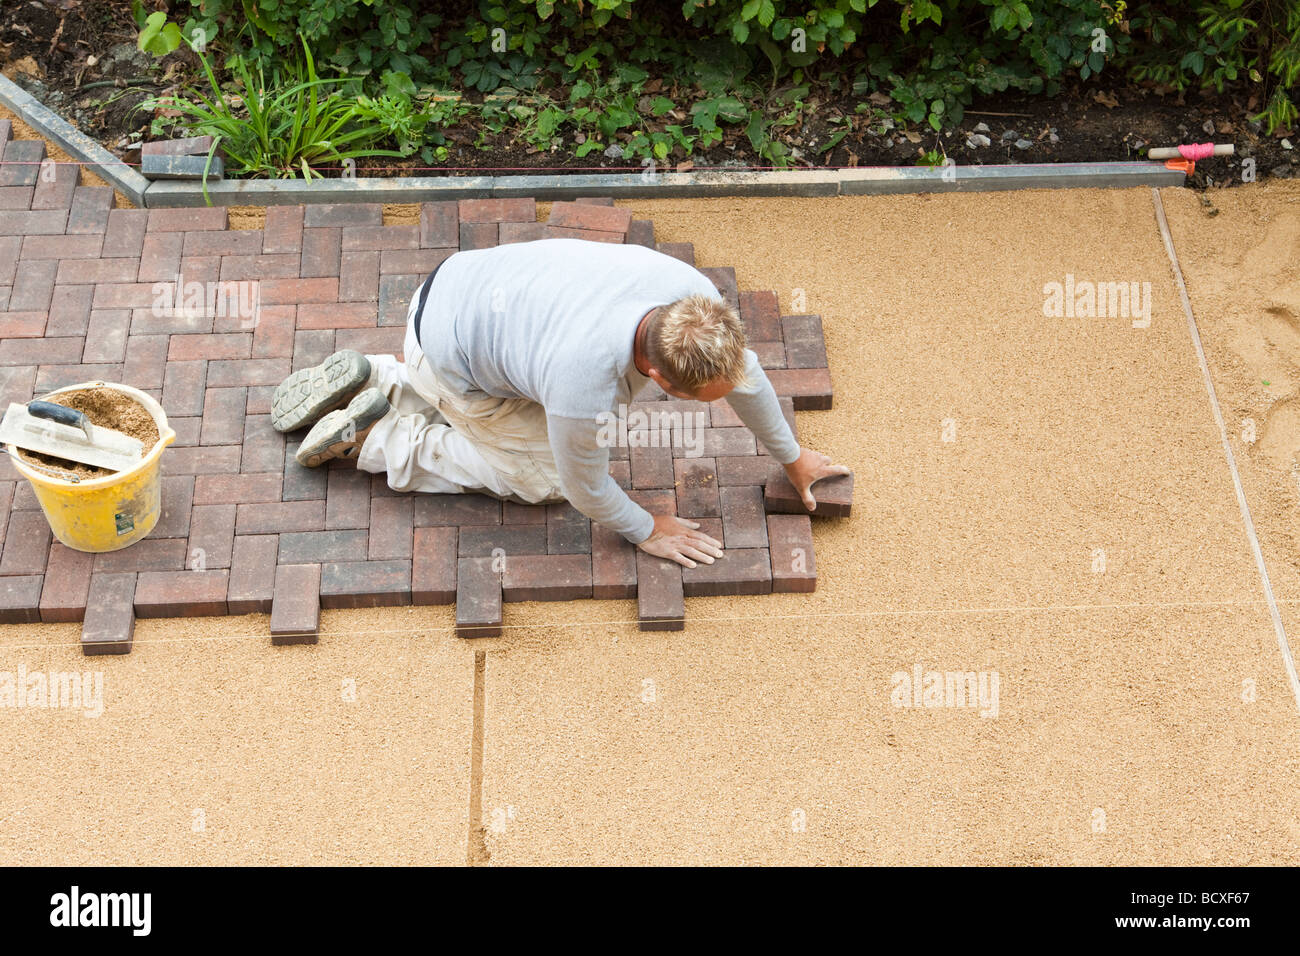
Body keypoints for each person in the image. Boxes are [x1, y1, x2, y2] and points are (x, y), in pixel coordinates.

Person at [270, 238, 847, 569]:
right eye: (700, 399)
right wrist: (647, 529)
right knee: (543, 476)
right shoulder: (584, 381)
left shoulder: (692, 305)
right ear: (656, 375)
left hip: (451, 291)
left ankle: (381, 378)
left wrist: (791, 455)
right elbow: (585, 489)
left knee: (531, 409)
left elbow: (743, 375)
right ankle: (382, 439)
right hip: (452, 360)